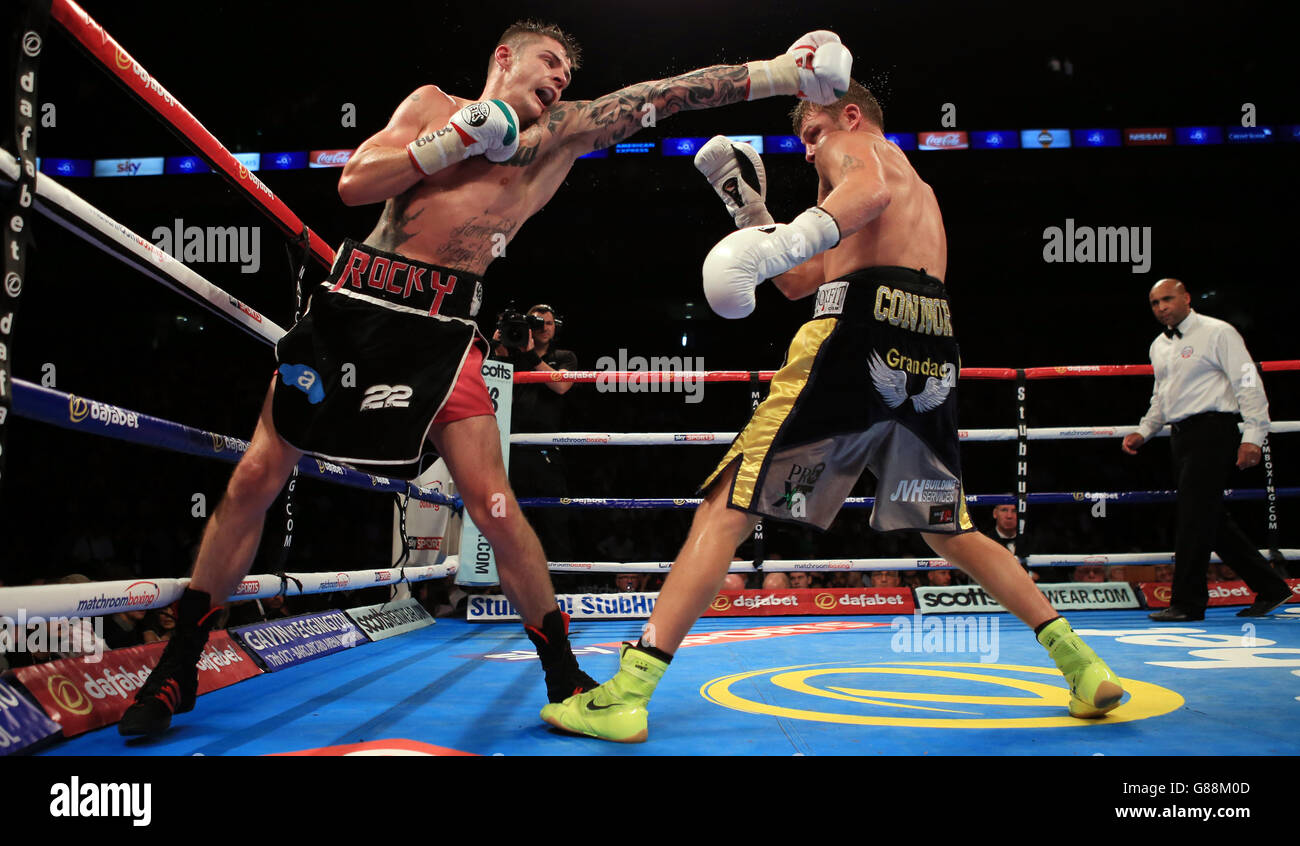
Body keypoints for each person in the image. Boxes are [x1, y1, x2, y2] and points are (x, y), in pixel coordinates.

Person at [119, 21, 855, 737]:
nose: (561, 77)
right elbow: (353, 184)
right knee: (256, 475)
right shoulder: (431, 104)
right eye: (549, 61)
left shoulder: (559, 133)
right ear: (505, 57)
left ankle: (563, 675)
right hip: (355, 304)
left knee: (496, 508)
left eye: (568, 72)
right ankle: (177, 666)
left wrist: (783, 74)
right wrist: (453, 139)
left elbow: (663, 95)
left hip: (443, 332)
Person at [543, 79, 1124, 743]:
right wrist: (751, 210)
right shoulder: (913, 195)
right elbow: (798, 280)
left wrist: (791, 230)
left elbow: (862, 192)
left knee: (726, 507)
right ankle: (1082, 665)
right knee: (948, 530)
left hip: (854, 338)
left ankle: (627, 693)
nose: (809, 151)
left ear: (849, 115)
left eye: (813, 134)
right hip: (928, 345)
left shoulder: (866, 152)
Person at [1121, 278, 1291, 622]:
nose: (1162, 307)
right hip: (1180, 436)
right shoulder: (1159, 345)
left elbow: (1247, 381)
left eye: (1167, 299)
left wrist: (1253, 436)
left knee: (1193, 517)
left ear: (1186, 298)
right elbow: (1162, 395)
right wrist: (1144, 430)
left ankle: (1187, 602)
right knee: (1209, 518)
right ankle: (1271, 587)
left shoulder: (1218, 332)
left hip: (1213, 430)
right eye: (1155, 303)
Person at [493, 304, 577, 560]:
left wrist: (531, 356)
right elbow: (495, 389)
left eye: (549, 323)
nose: (544, 327)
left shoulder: (564, 356)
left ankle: (560, 581)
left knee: (554, 526)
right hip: (510, 450)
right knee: (511, 527)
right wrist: (497, 349)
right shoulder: (510, 353)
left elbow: (561, 386)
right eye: (538, 322)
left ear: (556, 327)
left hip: (546, 452)